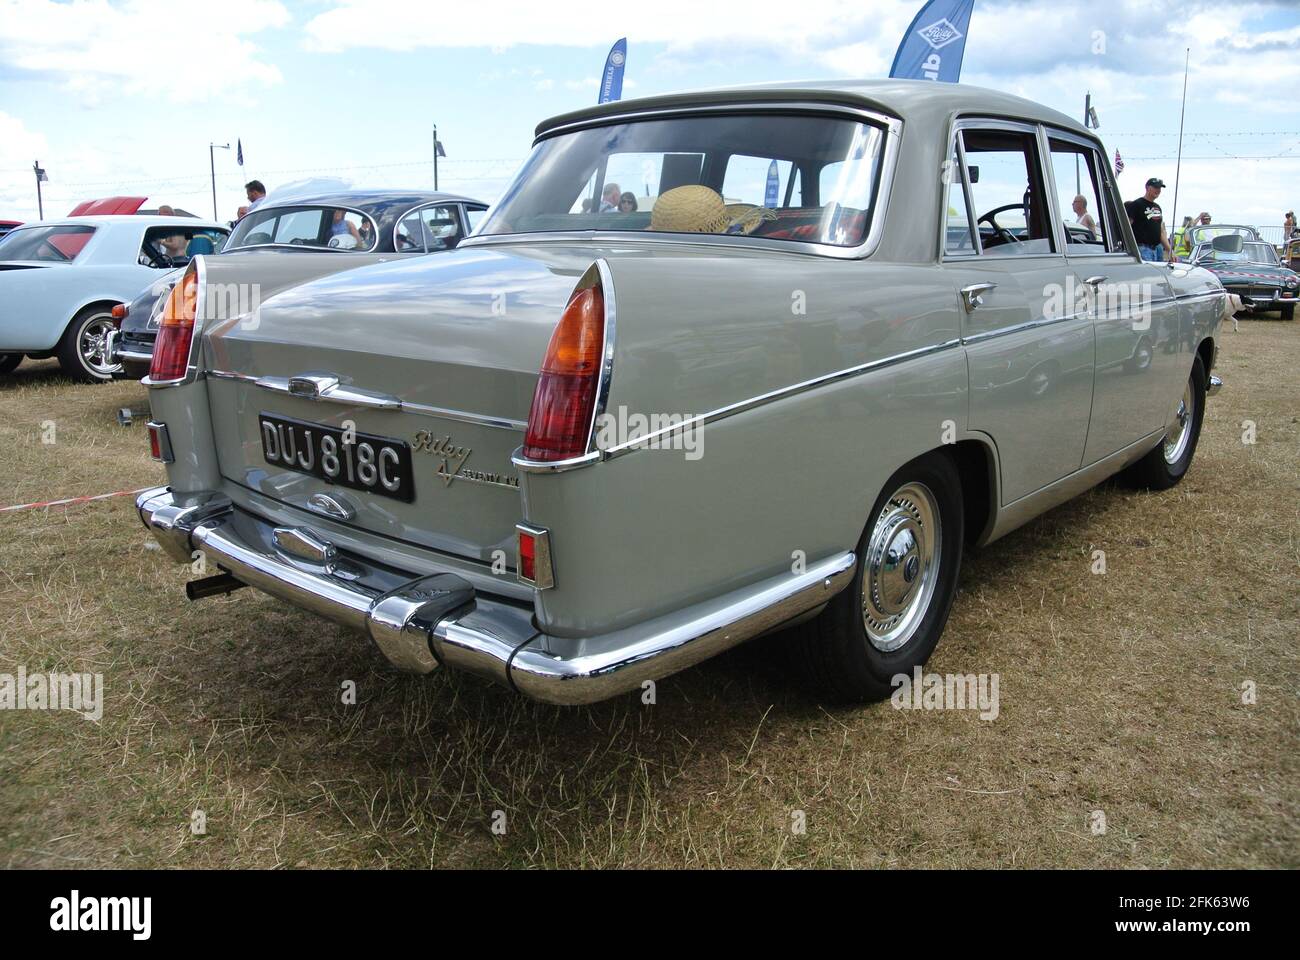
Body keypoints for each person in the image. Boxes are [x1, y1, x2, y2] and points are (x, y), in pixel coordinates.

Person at [1124, 177, 1170, 262]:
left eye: (1160, 188)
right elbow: (1127, 227)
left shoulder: (1158, 207)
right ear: (1148, 188)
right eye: (1156, 187)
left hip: (1157, 249)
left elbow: (1162, 231)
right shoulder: (1136, 204)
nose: (1158, 190)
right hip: (1142, 248)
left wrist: (1170, 251)